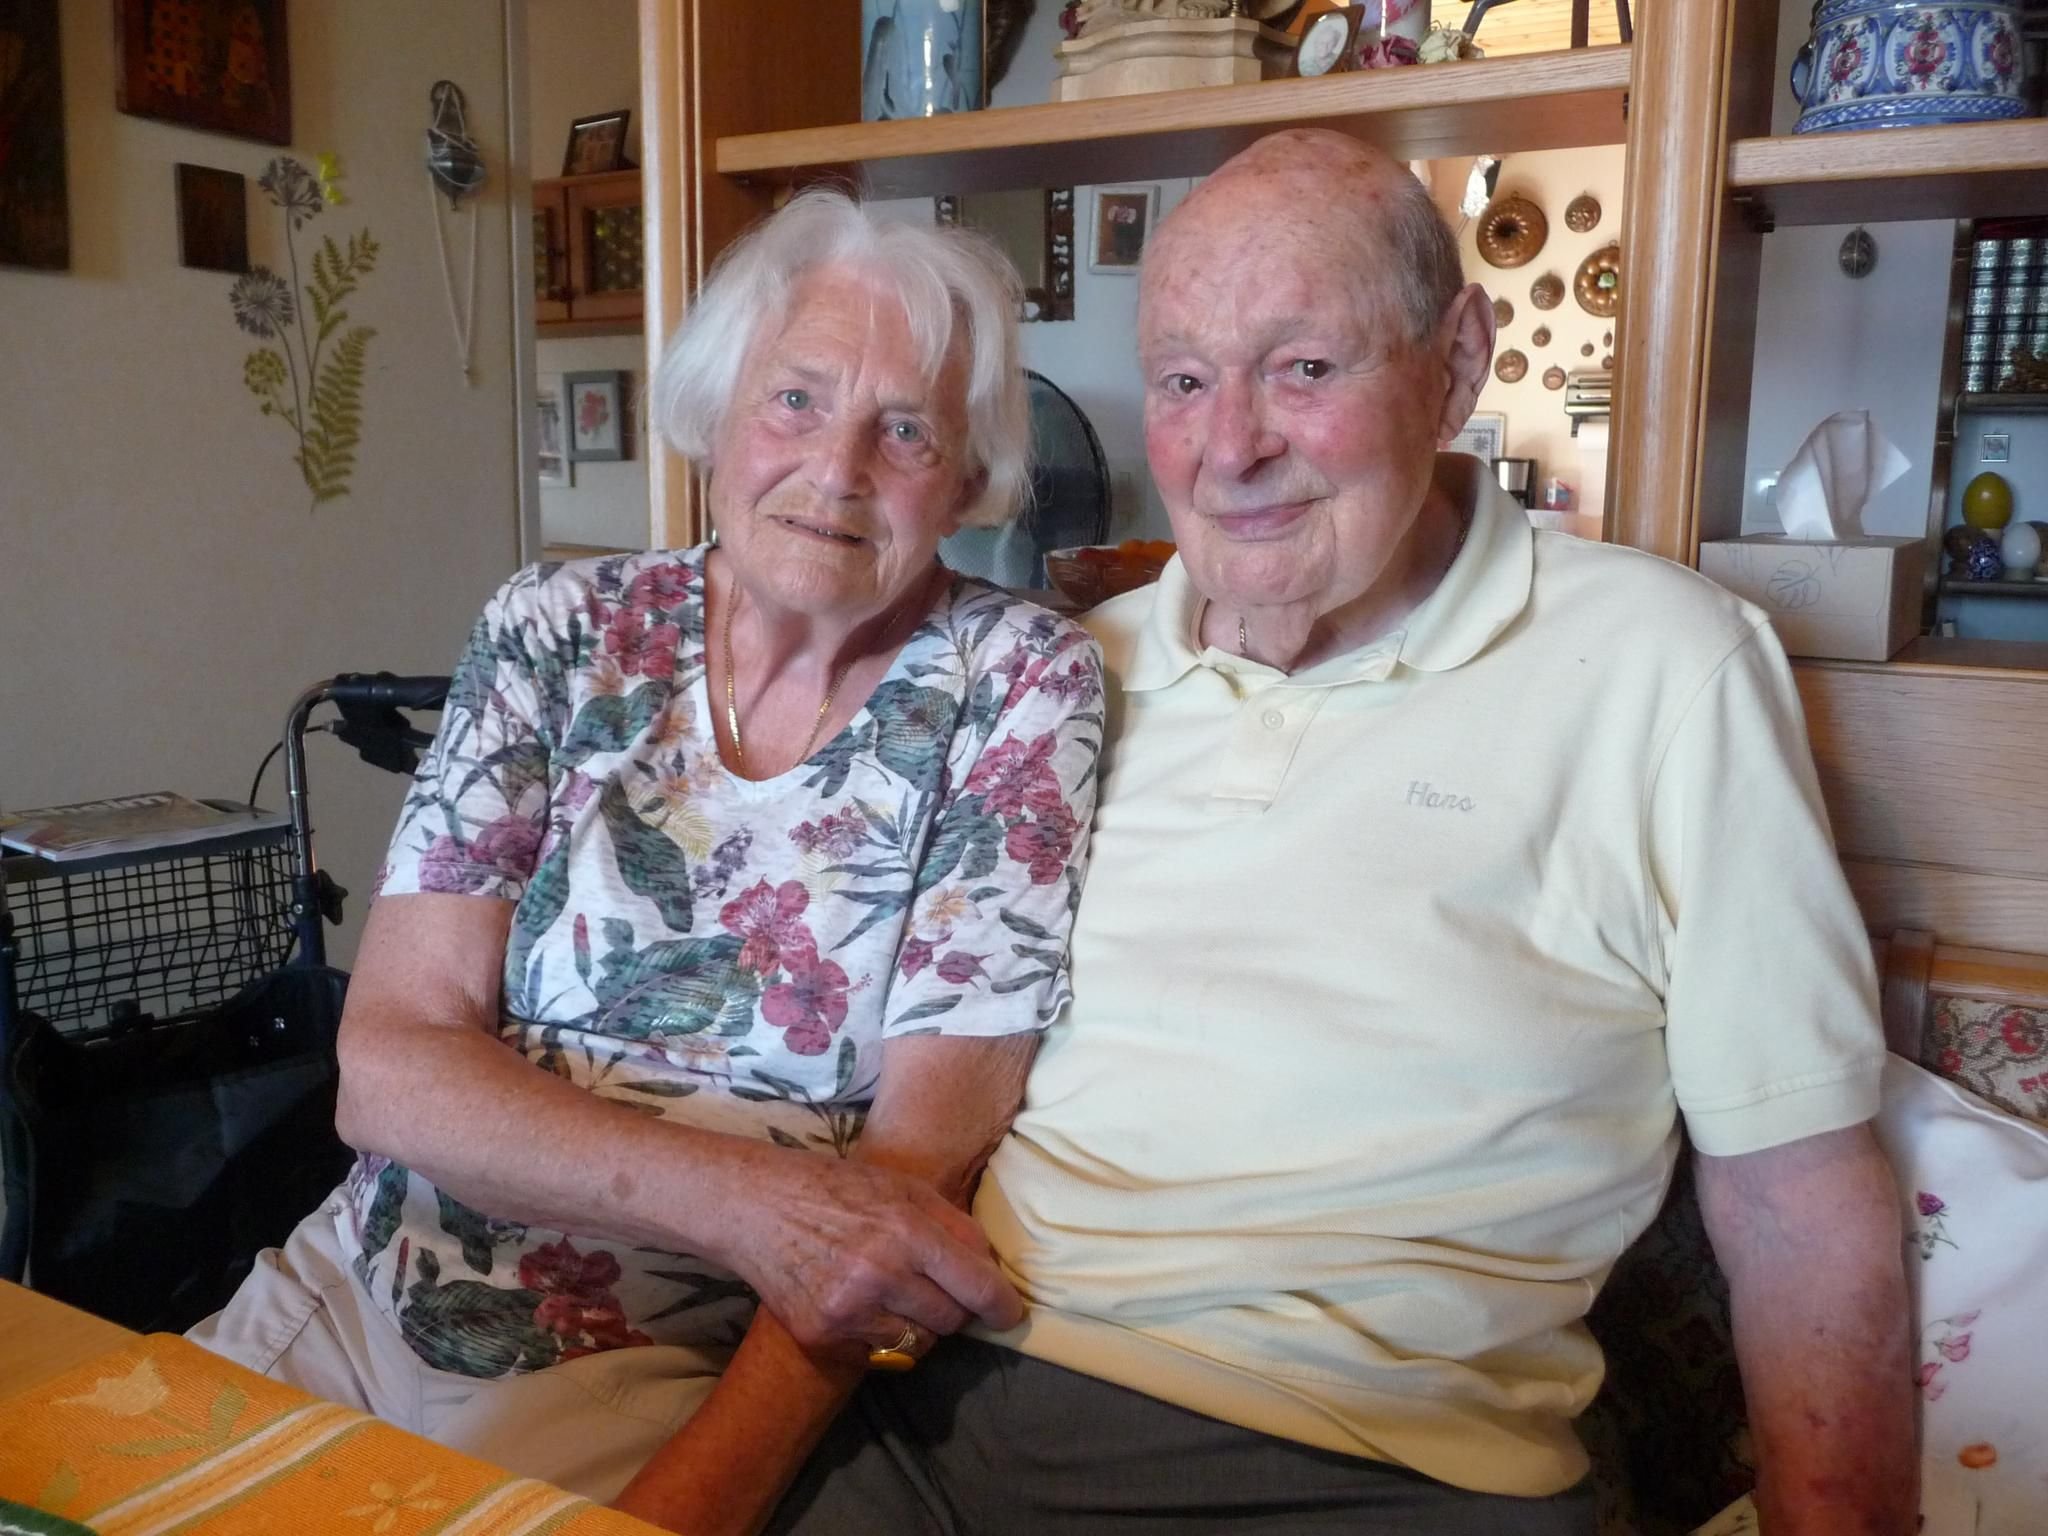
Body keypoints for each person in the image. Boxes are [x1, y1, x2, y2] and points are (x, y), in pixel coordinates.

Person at [725, 132, 1915, 1536]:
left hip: (1375, 1468)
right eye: (1182, 381)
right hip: (945, 1404)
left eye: (1305, 368)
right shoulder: (1056, 679)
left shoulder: (1669, 667)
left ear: (1455, 364)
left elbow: (1796, 1199)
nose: (1232, 449)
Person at [189, 187, 1106, 1505]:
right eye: (795, 399)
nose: (836, 469)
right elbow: (387, 1070)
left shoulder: (1017, 685)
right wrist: (757, 1206)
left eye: (902, 428)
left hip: (645, 1374)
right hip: (351, 1287)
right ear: (720, 408)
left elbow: (911, 1182)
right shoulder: (559, 626)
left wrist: (695, 1500)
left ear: (967, 478)